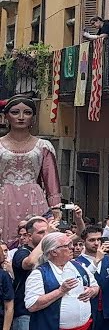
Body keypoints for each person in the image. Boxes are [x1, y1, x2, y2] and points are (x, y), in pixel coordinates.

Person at [25, 232, 100, 330]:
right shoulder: (39, 273)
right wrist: (60, 291)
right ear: (53, 252)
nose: (72, 247)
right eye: (67, 246)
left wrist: (92, 291)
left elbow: (95, 285)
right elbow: (31, 305)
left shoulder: (79, 266)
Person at [1, 96, 61, 247]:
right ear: (6, 116)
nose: (21, 117)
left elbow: (51, 181)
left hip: (34, 199)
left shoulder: (43, 146)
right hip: (4, 198)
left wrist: (56, 208)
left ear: (33, 117)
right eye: (15, 112)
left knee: (37, 241)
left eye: (27, 113)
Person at [11, 215, 51, 330]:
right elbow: (29, 263)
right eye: (41, 232)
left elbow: (76, 238)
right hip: (25, 314)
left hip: (43, 312)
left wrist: (78, 219)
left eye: (47, 232)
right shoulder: (22, 252)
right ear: (28, 235)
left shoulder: (47, 252)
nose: (45, 235)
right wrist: (45, 241)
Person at [84, 16, 109, 86]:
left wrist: (89, 36)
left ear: (98, 20)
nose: (93, 26)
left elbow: (102, 36)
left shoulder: (107, 25)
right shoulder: (102, 28)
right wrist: (87, 37)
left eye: (93, 23)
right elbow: (97, 37)